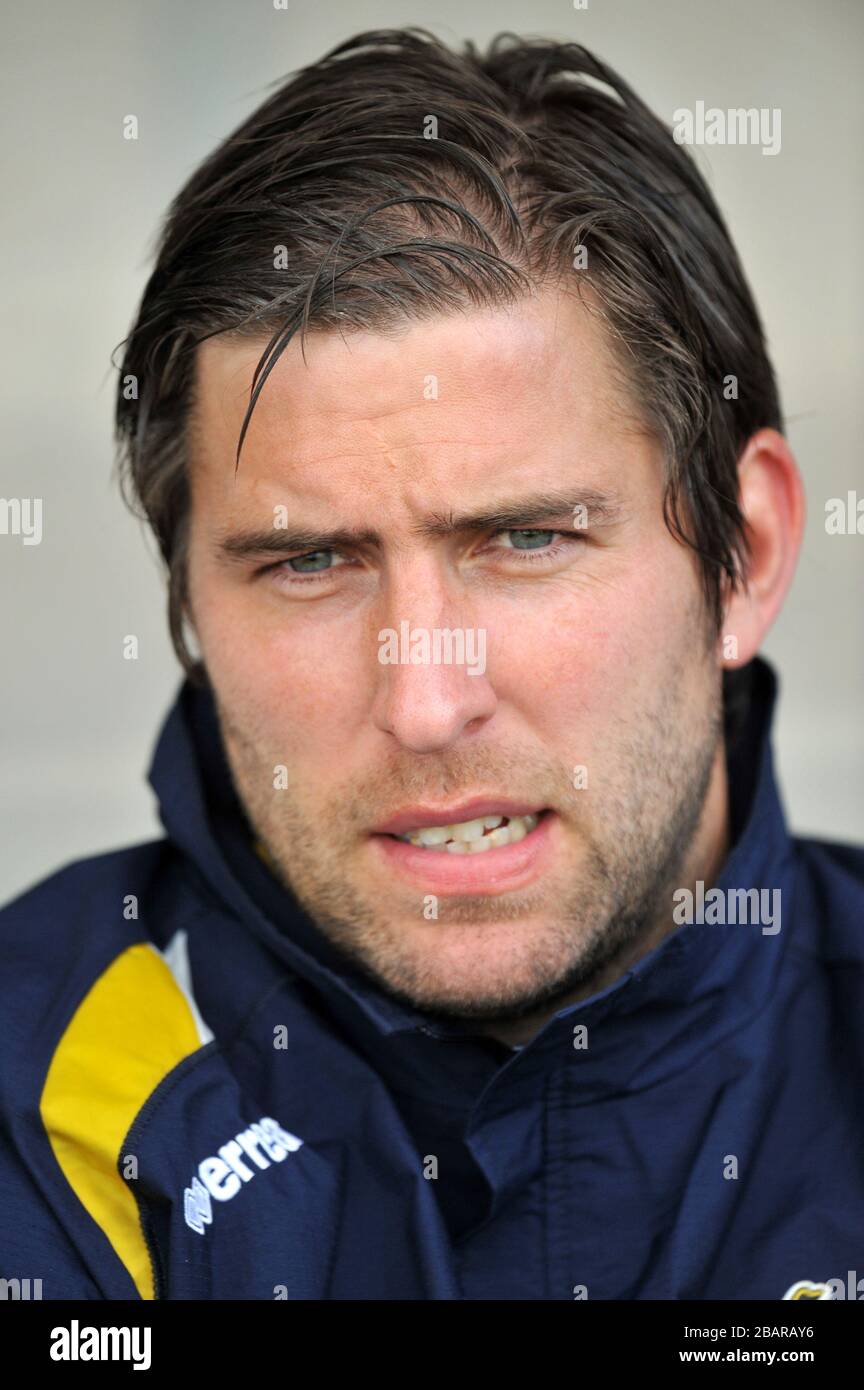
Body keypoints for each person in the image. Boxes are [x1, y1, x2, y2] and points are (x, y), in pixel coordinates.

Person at [1, 27, 861, 1302]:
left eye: (525, 538)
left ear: (746, 555)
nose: (425, 701)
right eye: (308, 565)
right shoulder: (26, 1086)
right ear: (184, 596)